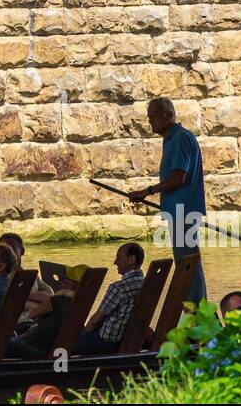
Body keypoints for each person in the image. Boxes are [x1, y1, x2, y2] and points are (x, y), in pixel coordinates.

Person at [126, 97, 208, 305]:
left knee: (187, 263)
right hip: (179, 210)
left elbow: (179, 176)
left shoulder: (180, 138)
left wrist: (147, 191)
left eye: (153, 117)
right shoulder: (173, 139)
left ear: (168, 115)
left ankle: (198, 311)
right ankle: (195, 310)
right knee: (186, 262)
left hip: (183, 210)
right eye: (149, 118)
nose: (150, 122)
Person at [74, 242, 145, 355]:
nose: (115, 262)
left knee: (66, 339)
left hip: (107, 342)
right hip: (131, 339)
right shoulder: (147, 284)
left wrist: (83, 335)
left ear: (132, 259)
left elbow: (95, 322)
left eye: (119, 258)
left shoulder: (118, 288)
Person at [4, 265, 88, 359]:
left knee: (3, 344)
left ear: (74, 284)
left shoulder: (58, 299)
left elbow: (32, 314)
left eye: (67, 281)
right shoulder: (83, 300)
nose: (63, 281)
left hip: (35, 346)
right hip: (51, 346)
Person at [0, 232, 53, 332]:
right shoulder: (0, 277)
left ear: (22, 251)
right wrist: (36, 301)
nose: (8, 254)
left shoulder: (31, 275)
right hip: (18, 326)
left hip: (39, 322)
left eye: (12, 249)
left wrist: (21, 296)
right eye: (4, 250)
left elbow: (50, 297)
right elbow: (6, 301)